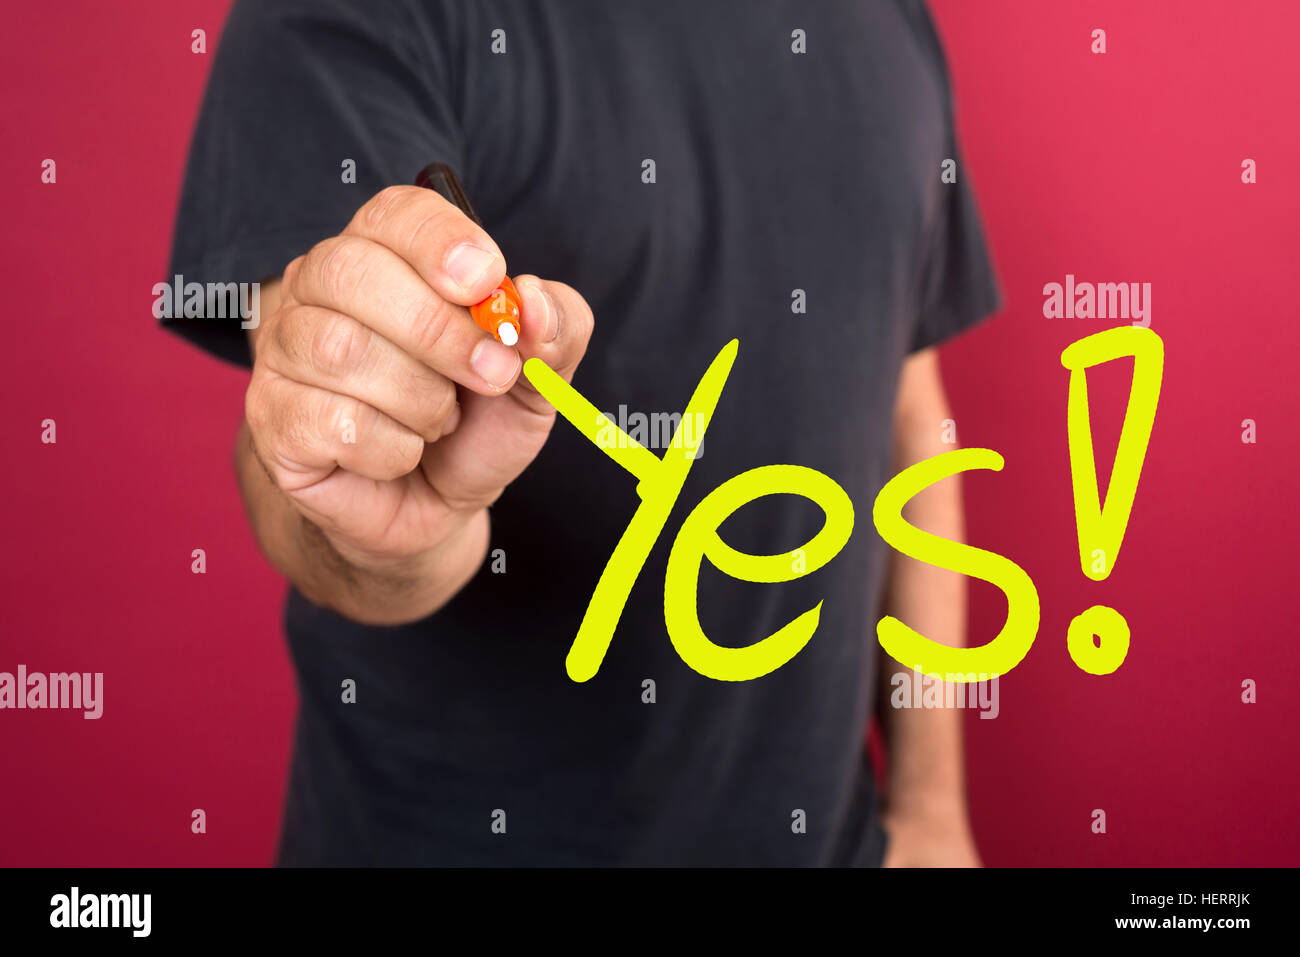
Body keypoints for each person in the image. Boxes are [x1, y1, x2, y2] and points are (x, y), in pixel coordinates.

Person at [163, 0, 999, 866]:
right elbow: (300, 440)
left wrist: (933, 805)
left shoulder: (890, 19)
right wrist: (374, 523)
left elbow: (908, 406)